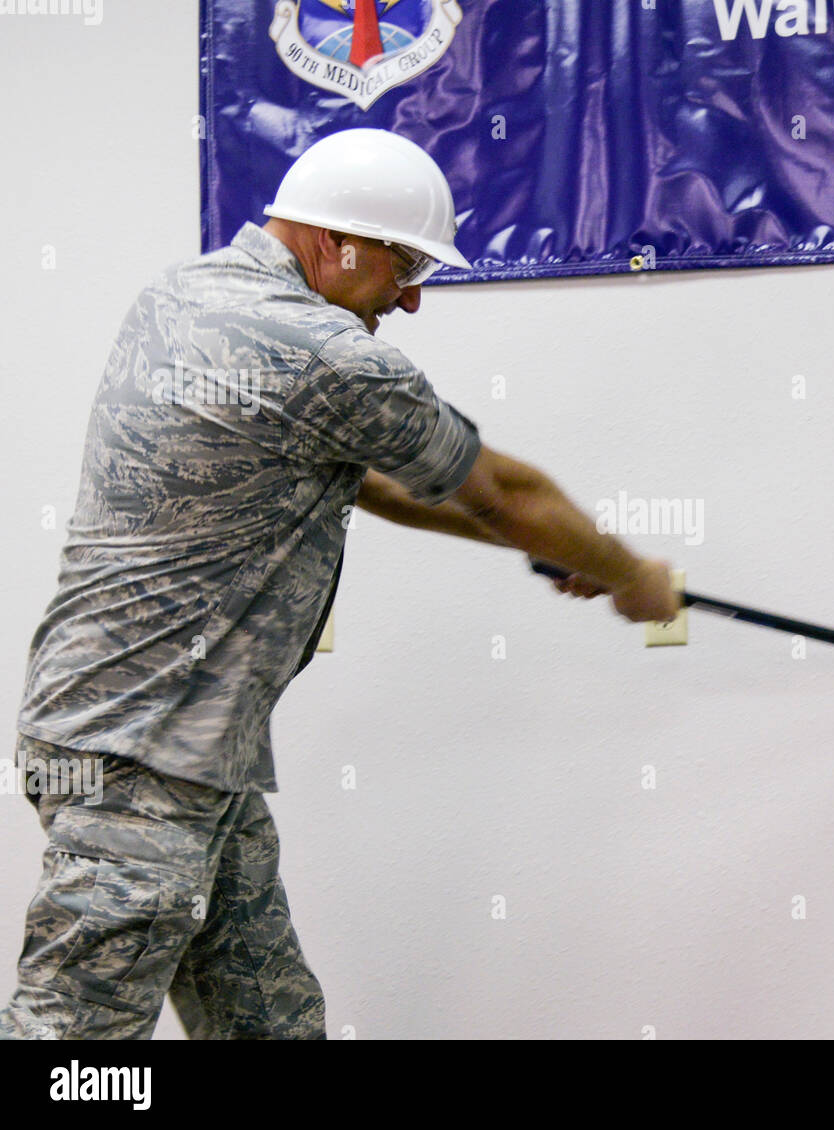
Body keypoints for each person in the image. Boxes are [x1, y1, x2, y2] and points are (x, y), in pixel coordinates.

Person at [0, 129, 677, 1040]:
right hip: (137, 756)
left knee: (267, 1020)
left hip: (179, 747)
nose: (412, 297)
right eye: (403, 266)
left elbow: (371, 480)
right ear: (335, 243)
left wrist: (545, 549)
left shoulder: (184, 296)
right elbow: (506, 492)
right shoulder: (331, 355)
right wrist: (633, 578)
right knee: (73, 1041)